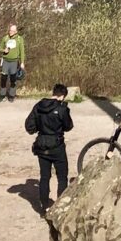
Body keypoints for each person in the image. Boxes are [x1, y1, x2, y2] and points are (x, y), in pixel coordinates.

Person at [25, 83, 74, 212]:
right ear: (62, 96)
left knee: (44, 176)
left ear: (53, 93)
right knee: (62, 176)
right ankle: (60, 207)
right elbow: (68, 126)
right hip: (57, 145)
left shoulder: (39, 106)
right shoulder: (62, 108)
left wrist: (40, 128)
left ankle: (44, 206)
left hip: (42, 144)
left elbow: (29, 127)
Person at [0, 24, 26, 102]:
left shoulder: (19, 39)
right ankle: (2, 95)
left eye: (12, 31)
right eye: (10, 30)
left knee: (13, 79)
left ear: (16, 32)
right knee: (3, 78)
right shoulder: (5, 38)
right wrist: (3, 50)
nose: (10, 32)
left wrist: (22, 62)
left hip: (14, 62)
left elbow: (22, 51)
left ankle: (11, 96)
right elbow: (0, 48)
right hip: (5, 61)